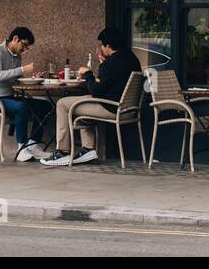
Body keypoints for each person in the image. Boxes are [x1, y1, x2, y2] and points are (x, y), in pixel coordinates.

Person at [41, 28, 142, 167]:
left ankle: (62, 152)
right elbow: (110, 82)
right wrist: (103, 65)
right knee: (81, 102)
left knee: (63, 104)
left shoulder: (111, 63)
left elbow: (95, 91)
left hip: (112, 108)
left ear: (108, 46)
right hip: (129, 108)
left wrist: (88, 73)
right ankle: (88, 150)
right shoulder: (131, 58)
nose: (101, 48)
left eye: (102, 45)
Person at [0, 27, 50, 162]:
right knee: (21, 107)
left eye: (27, 47)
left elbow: (13, 79)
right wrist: (22, 69)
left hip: (9, 97)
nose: (24, 49)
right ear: (15, 39)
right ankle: (21, 149)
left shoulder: (17, 56)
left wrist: (32, 78)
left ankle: (33, 145)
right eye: (24, 45)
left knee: (45, 106)